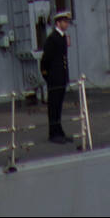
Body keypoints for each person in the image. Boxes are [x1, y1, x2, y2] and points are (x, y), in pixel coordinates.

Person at [40, 11, 72, 144]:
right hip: (54, 78)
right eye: (64, 22)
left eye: (67, 22)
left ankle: (59, 131)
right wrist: (48, 77)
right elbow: (45, 60)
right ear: (58, 23)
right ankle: (53, 133)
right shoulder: (52, 38)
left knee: (58, 106)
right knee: (53, 106)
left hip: (61, 78)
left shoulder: (62, 37)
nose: (67, 24)